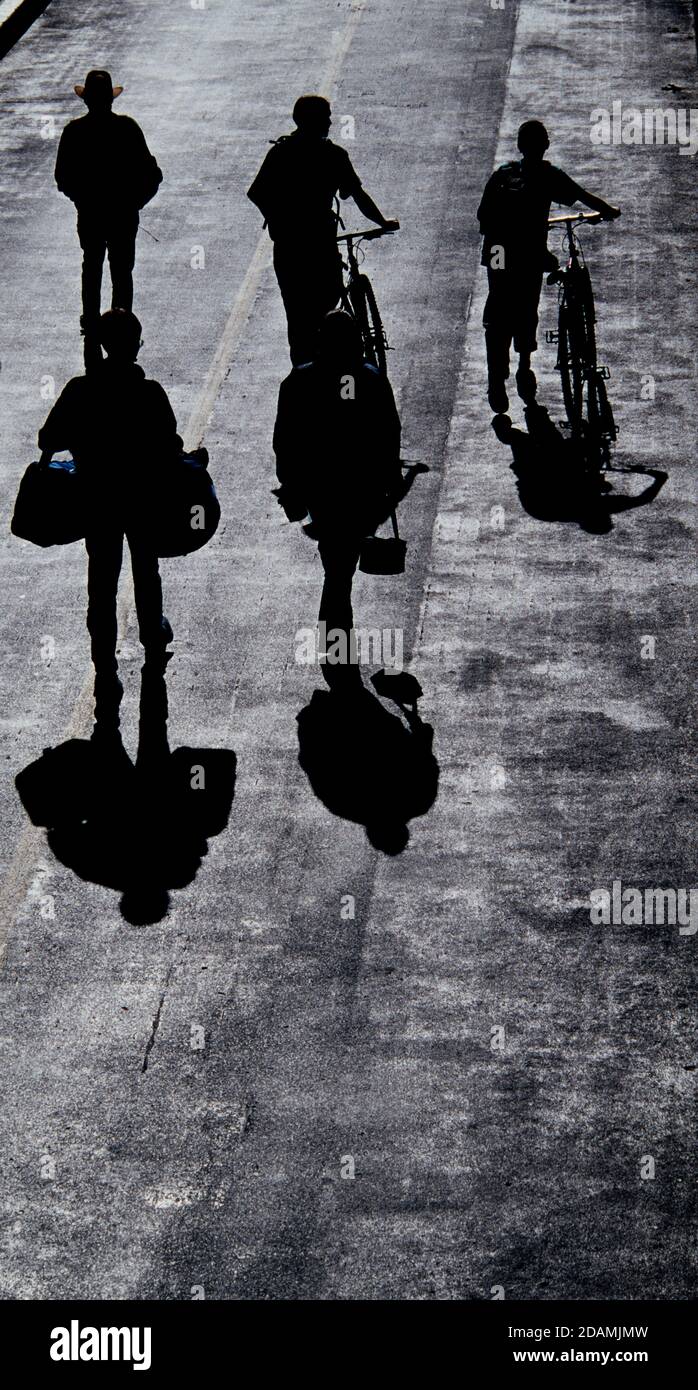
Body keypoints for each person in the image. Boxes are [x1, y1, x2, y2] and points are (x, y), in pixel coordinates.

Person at [37, 310, 181, 730]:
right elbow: (170, 443)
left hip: (97, 500)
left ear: (101, 345)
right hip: (140, 499)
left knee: (102, 579)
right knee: (145, 570)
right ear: (135, 345)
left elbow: (48, 439)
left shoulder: (81, 390)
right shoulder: (150, 394)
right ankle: (153, 640)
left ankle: (104, 660)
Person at [273, 309, 401, 686]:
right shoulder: (372, 379)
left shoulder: (298, 381)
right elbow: (388, 435)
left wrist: (291, 486)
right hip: (359, 490)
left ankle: (336, 651)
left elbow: (285, 441)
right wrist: (388, 481)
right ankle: (336, 653)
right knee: (340, 569)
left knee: (337, 564)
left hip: (320, 490)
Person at [477, 119, 620, 413]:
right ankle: (524, 366)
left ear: (519, 146)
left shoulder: (502, 174)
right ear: (545, 146)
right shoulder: (547, 175)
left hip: (498, 252)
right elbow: (581, 196)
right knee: (526, 307)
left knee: (498, 311)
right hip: (528, 253)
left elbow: (483, 217)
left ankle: (496, 378)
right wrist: (607, 210)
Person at [247, 94, 399, 365]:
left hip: (289, 249)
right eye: (325, 117)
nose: (330, 122)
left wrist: (279, 221)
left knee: (297, 317)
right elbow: (357, 195)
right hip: (320, 246)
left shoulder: (281, 153)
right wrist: (382, 223)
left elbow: (257, 193)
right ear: (312, 120)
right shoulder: (333, 155)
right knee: (327, 309)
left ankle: (303, 371)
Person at [54, 70, 162, 367]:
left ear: (86, 100)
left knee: (92, 264)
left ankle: (91, 320)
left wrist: (83, 199)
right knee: (122, 268)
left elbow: (62, 177)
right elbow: (153, 174)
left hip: (90, 214)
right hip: (123, 214)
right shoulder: (127, 129)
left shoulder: (74, 132)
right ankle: (121, 321)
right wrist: (135, 202)